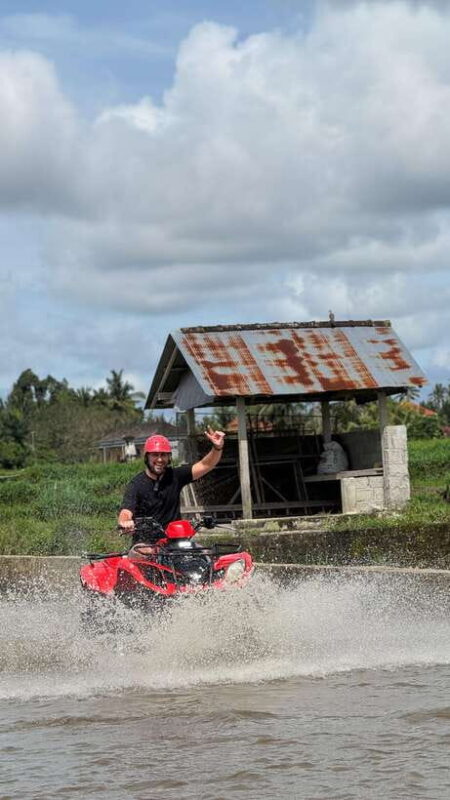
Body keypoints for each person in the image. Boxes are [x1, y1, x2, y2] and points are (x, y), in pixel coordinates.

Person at [117, 427, 225, 550]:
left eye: (163, 455)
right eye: (155, 455)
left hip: (175, 542)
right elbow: (125, 512)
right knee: (144, 552)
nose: (159, 459)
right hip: (146, 544)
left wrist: (217, 448)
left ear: (169, 458)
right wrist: (125, 522)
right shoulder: (136, 484)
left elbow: (206, 464)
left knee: (203, 553)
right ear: (147, 457)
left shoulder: (175, 476)